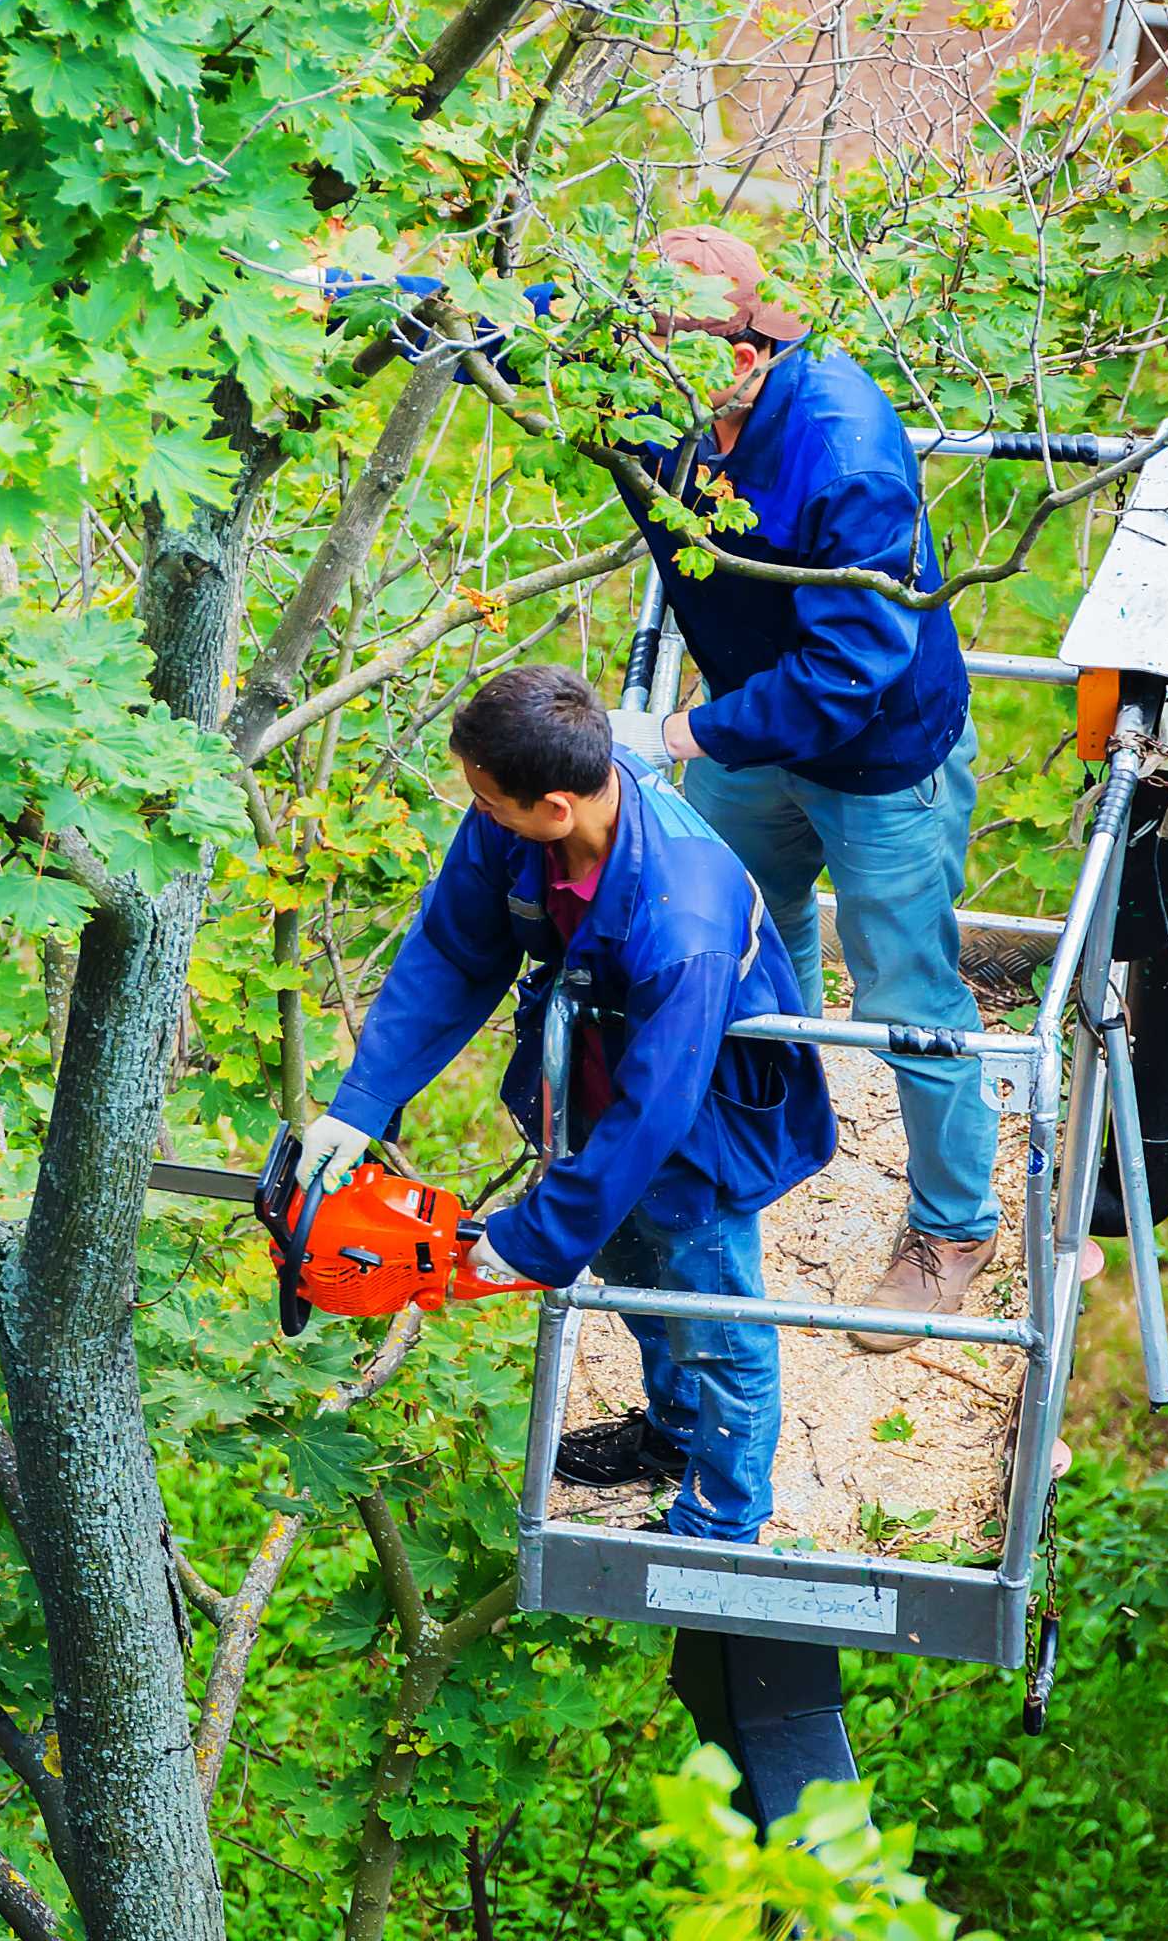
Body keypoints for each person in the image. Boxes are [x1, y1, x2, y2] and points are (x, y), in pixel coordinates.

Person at [293, 666, 836, 1540]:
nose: (476, 812)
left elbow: (656, 1113)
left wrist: (532, 1241)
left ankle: (722, 1518)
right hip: (591, 1065)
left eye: (488, 801)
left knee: (711, 1310)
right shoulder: (519, 819)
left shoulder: (680, 918)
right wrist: (363, 1102)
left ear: (555, 808)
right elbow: (456, 951)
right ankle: (673, 1432)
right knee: (630, 1278)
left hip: (698, 1110)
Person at [606, 225, 1001, 1349]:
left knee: (908, 993)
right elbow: (513, 309)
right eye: (635, 347)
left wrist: (677, 731)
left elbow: (848, 673)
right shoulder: (640, 390)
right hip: (750, 734)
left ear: (742, 351)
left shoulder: (844, 454)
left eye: (668, 355)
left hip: (878, 756)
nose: (642, 380)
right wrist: (352, 278)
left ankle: (952, 1227)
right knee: (739, 932)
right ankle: (780, 1122)